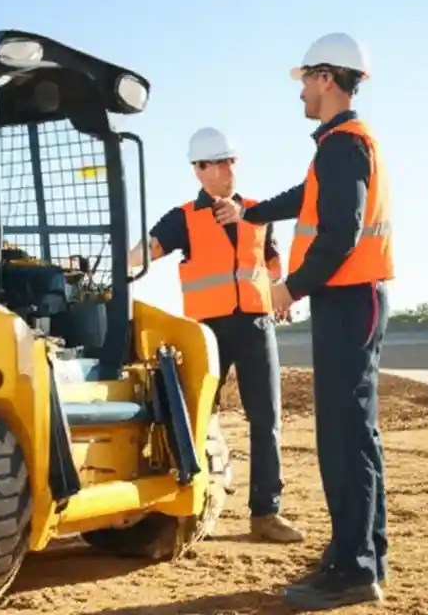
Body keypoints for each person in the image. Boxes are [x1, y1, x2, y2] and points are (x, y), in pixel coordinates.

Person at [212, 32, 393, 609]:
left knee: (343, 435)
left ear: (326, 77)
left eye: (306, 81)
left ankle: (353, 568)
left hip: (347, 299)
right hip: (351, 298)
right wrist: (250, 212)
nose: (301, 93)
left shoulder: (343, 145)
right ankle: (361, 553)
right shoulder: (341, 145)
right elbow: (307, 198)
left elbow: (339, 232)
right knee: (353, 432)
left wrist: (292, 286)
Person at [127, 126, 305, 544]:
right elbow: (145, 252)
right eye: (219, 163)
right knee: (194, 419)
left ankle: (265, 514)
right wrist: (112, 264)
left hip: (257, 325)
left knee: (267, 420)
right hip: (207, 332)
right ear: (199, 171)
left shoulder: (260, 212)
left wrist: (280, 297)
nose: (228, 170)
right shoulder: (183, 218)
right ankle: (187, 506)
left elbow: (273, 267)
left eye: (232, 161)